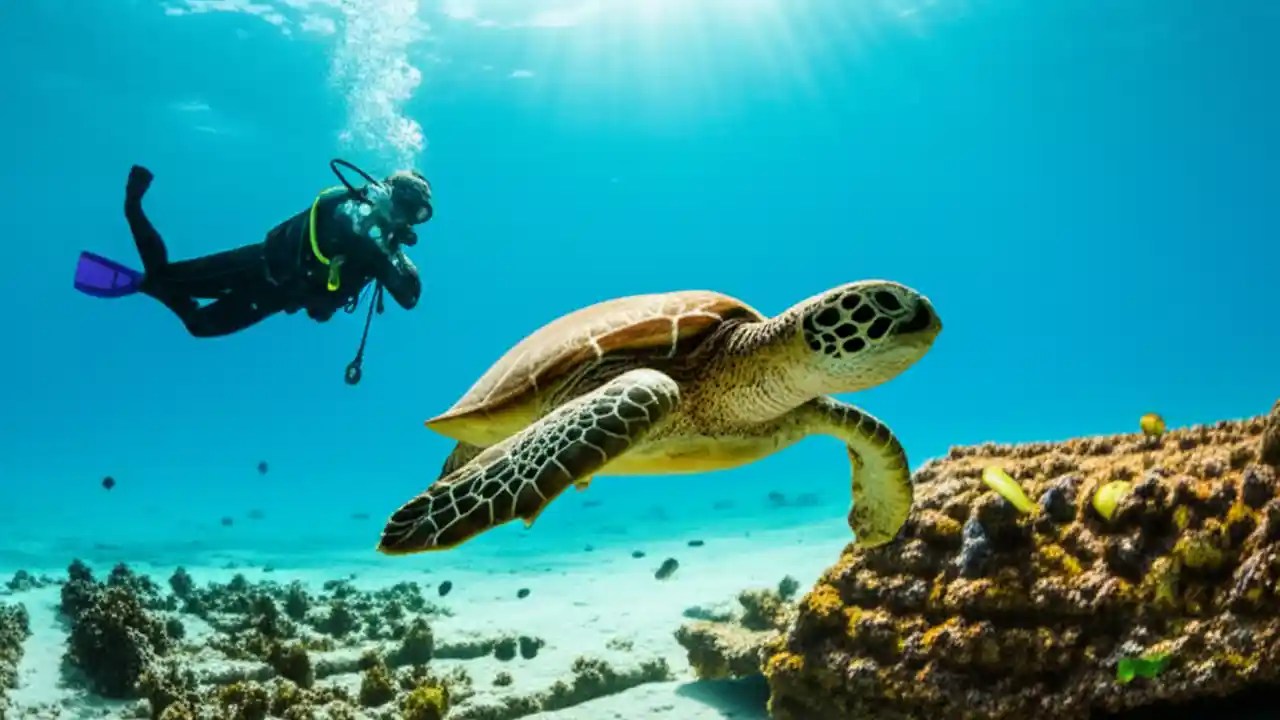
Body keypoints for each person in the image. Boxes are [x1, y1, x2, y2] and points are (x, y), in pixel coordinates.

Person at [75, 159, 434, 384]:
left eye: (415, 214)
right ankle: (132, 207)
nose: (405, 217)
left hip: (276, 297)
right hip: (257, 264)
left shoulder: (384, 250)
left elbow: (410, 296)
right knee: (166, 276)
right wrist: (377, 240)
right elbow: (339, 223)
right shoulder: (352, 208)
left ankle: (149, 286)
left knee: (198, 326)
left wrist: (390, 253)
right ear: (388, 192)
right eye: (404, 206)